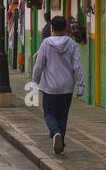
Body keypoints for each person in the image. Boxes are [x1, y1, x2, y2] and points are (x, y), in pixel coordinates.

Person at [33, 14, 85, 155]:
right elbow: (78, 66)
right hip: (67, 86)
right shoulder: (72, 44)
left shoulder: (46, 44)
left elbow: (39, 65)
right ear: (66, 28)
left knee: (49, 113)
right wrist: (80, 85)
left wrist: (34, 81)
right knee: (63, 115)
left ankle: (55, 133)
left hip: (49, 86)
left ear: (51, 28)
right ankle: (60, 140)